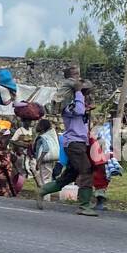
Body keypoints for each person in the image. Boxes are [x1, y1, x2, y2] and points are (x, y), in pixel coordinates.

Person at [35, 69, 97, 216]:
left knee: (69, 176)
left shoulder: (78, 104)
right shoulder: (68, 107)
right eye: (76, 76)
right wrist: (78, 92)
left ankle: (43, 190)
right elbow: (80, 110)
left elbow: (84, 110)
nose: (79, 78)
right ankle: (84, 205)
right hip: (74, 144)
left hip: (79, 144)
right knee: (86, 171)